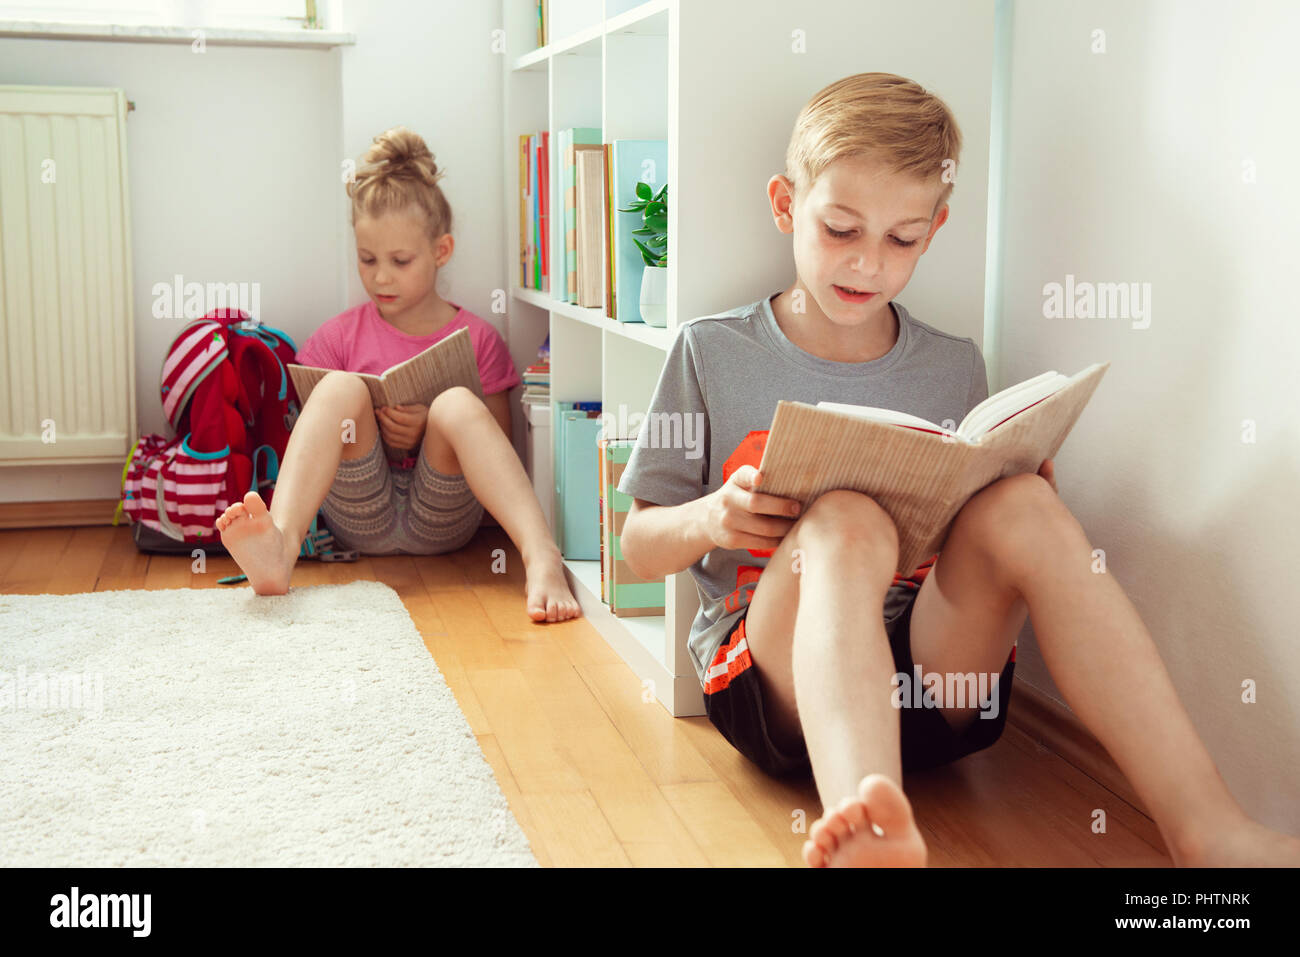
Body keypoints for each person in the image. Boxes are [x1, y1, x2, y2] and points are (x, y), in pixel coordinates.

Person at [616, 73, 1300, 867]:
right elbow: (639, 545)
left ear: (934, 230)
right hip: (774, 687)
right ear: (784, 205)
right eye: (841, 228)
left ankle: (1209, 829)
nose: (868, 263)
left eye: (901, 240)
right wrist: (710, 518)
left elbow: (960, 528)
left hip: (928, 677)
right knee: (846, 519)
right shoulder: (712, 349)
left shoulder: (952, 364)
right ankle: (865, 825)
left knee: (1025, 509)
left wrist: (1008, 499)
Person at [217, 126, 580, 624]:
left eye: (399, 261)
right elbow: (315, 445)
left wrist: (426, 426)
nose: (380, 276)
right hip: (359, 514)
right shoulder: (337, 338)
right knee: (340, 387)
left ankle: (541, 555)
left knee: (455, 404)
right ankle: (281, 546)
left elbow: (501, 444)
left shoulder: (478, 339)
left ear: (441, 251)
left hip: (444, 516)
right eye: (367, 260)